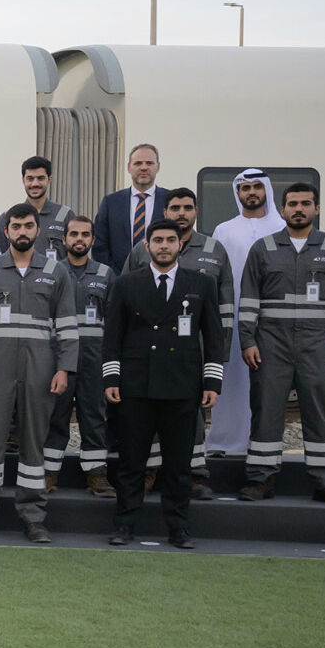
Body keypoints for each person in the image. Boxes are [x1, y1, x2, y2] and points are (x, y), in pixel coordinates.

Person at [102, 219, 226, 550]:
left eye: (170, 240)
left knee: (178, 465)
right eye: (157, 240)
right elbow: (112, 337)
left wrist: (212, 382)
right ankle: (125, 524)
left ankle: (178, 528)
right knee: (131, 463)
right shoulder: (126, 284)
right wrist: (111, 377)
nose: (164, 246)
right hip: (136, 385)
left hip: (182, 385)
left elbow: (214, 338)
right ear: (147, 246)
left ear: (180, 245)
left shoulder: (201, 284)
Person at [0, 203, 78, 543]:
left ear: (37, 231)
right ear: (7, 231)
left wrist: (64, 368)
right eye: (16, 226)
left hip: (41, 368)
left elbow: (68, 327)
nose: (22, 231)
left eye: (28, 225)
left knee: (33, 445)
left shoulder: (56, 272)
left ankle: (34, 517)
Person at [238, 182, 325, 503]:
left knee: (321, 412)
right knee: (266, 411)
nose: (299, 209)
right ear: (283, 209)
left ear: (316, 209)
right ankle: (261, 478)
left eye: (306, 203)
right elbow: (248, 300)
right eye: (292, 203)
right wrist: (247, 340)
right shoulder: (263, 249)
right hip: (270, 345)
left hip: (319, 346)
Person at [124, 188, 234, 497]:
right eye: (175, 207)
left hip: (193, 348)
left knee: (193, 413)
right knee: (149, 410)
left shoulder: (214, 250)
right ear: (166, 211)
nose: (181, 212)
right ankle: (150, 469)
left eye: (187, 207)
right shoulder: (141, 250)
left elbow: (223, 307)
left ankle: (195, 472)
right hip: (150, 348)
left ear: (196, 211)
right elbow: (124, 299)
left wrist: (219, 352)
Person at [206, 169, 284, 457]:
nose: (251, 192)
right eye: (245, 188)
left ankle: (262, 443)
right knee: (230, 378)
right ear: (237, 193)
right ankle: (225, 443)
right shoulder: (224, 230)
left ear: (266, 190)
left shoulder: (281, 226)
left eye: (256, 187)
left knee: (267, 381)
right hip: (233, 313)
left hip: (272, 314)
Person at [42, 216, 115, 499]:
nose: (79, 239)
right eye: (73, 234)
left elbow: (113, 320)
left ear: (93, 240)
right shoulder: (51, 271)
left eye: (85, 234)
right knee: (55, 414)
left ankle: (96, 475)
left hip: (94, 358)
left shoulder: (106, 274)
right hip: (58, 356)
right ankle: (49, 473)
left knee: (94, 414)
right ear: (64, 239)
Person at [91, 143, 168, 272]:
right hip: (118, 280)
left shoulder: (169, 200)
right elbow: (99, 246)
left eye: (149, 163)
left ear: (158, 167)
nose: (144, 168)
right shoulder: (110, 202)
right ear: (128, 167)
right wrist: (113, 277)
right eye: (138, 163)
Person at [0, 156, 74, 260]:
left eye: (40, 178)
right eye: (30, 179)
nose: (35, 184)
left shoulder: (65, 215)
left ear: (49, 179)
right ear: (23, 180)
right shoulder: (7, 217)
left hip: (55, 276)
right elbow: (1, 258)